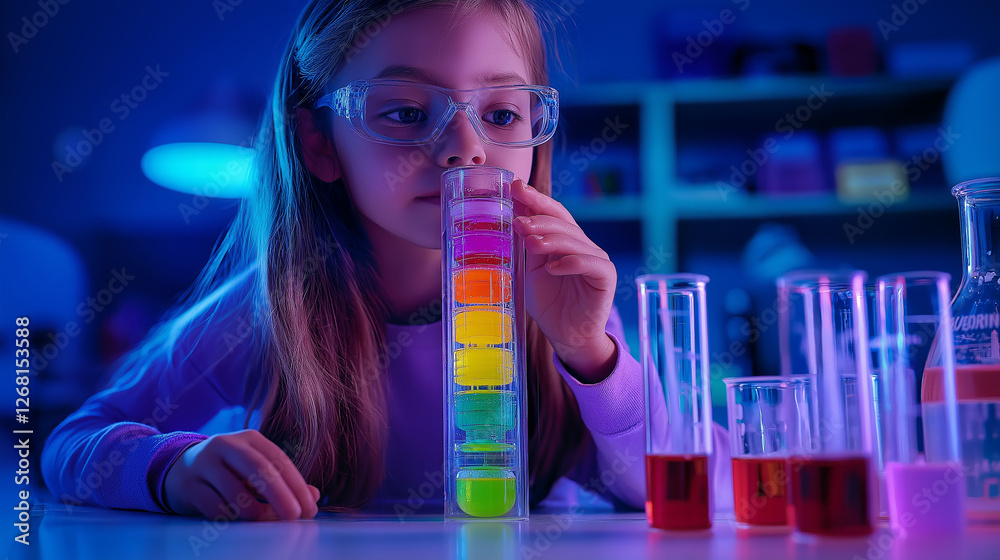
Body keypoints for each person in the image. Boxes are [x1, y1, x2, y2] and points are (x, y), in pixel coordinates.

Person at [41, 0, 731, 521]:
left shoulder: (557, 311)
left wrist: (589, 352)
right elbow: (69, 445)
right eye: (403, 112)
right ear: (318, 145)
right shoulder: (271, 312)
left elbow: (689, 488)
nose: (465, 148)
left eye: (501, 114)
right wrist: (170, 465)